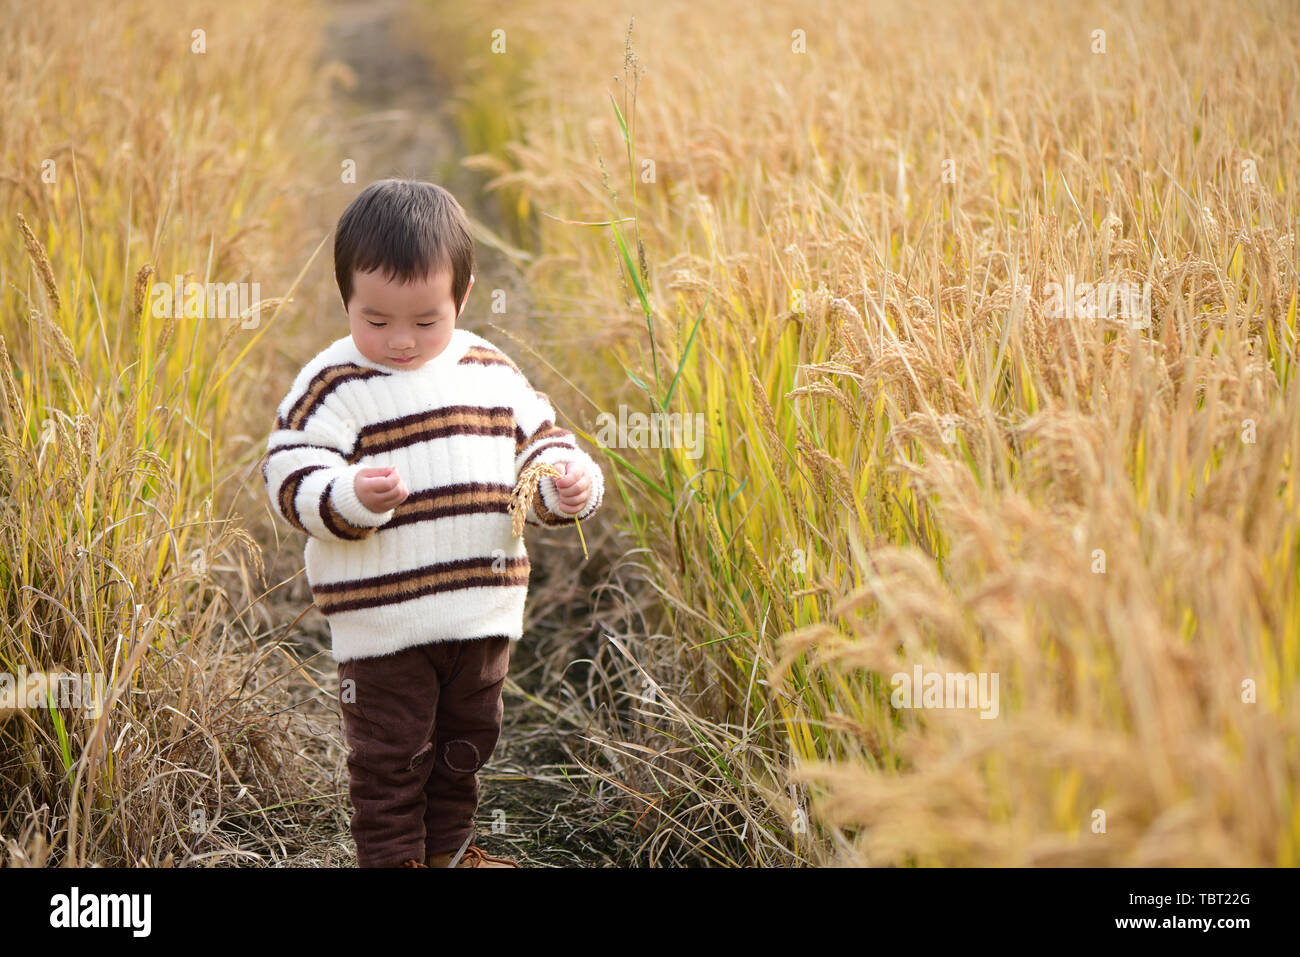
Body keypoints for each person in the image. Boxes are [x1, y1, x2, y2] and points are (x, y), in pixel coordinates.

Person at [261, 179, 604, 867]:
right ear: (346, 299)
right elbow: (287, 475)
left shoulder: (490, 371)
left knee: (465, 746)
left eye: (425, 320)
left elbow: (541, 447)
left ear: (463, 298)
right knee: (391, 759)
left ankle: (448, 854)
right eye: (376, 318)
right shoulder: (333, 385)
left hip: (481, 612)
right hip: (383, 626)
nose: (399, 340)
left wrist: (567, 485)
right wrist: (351, 494)